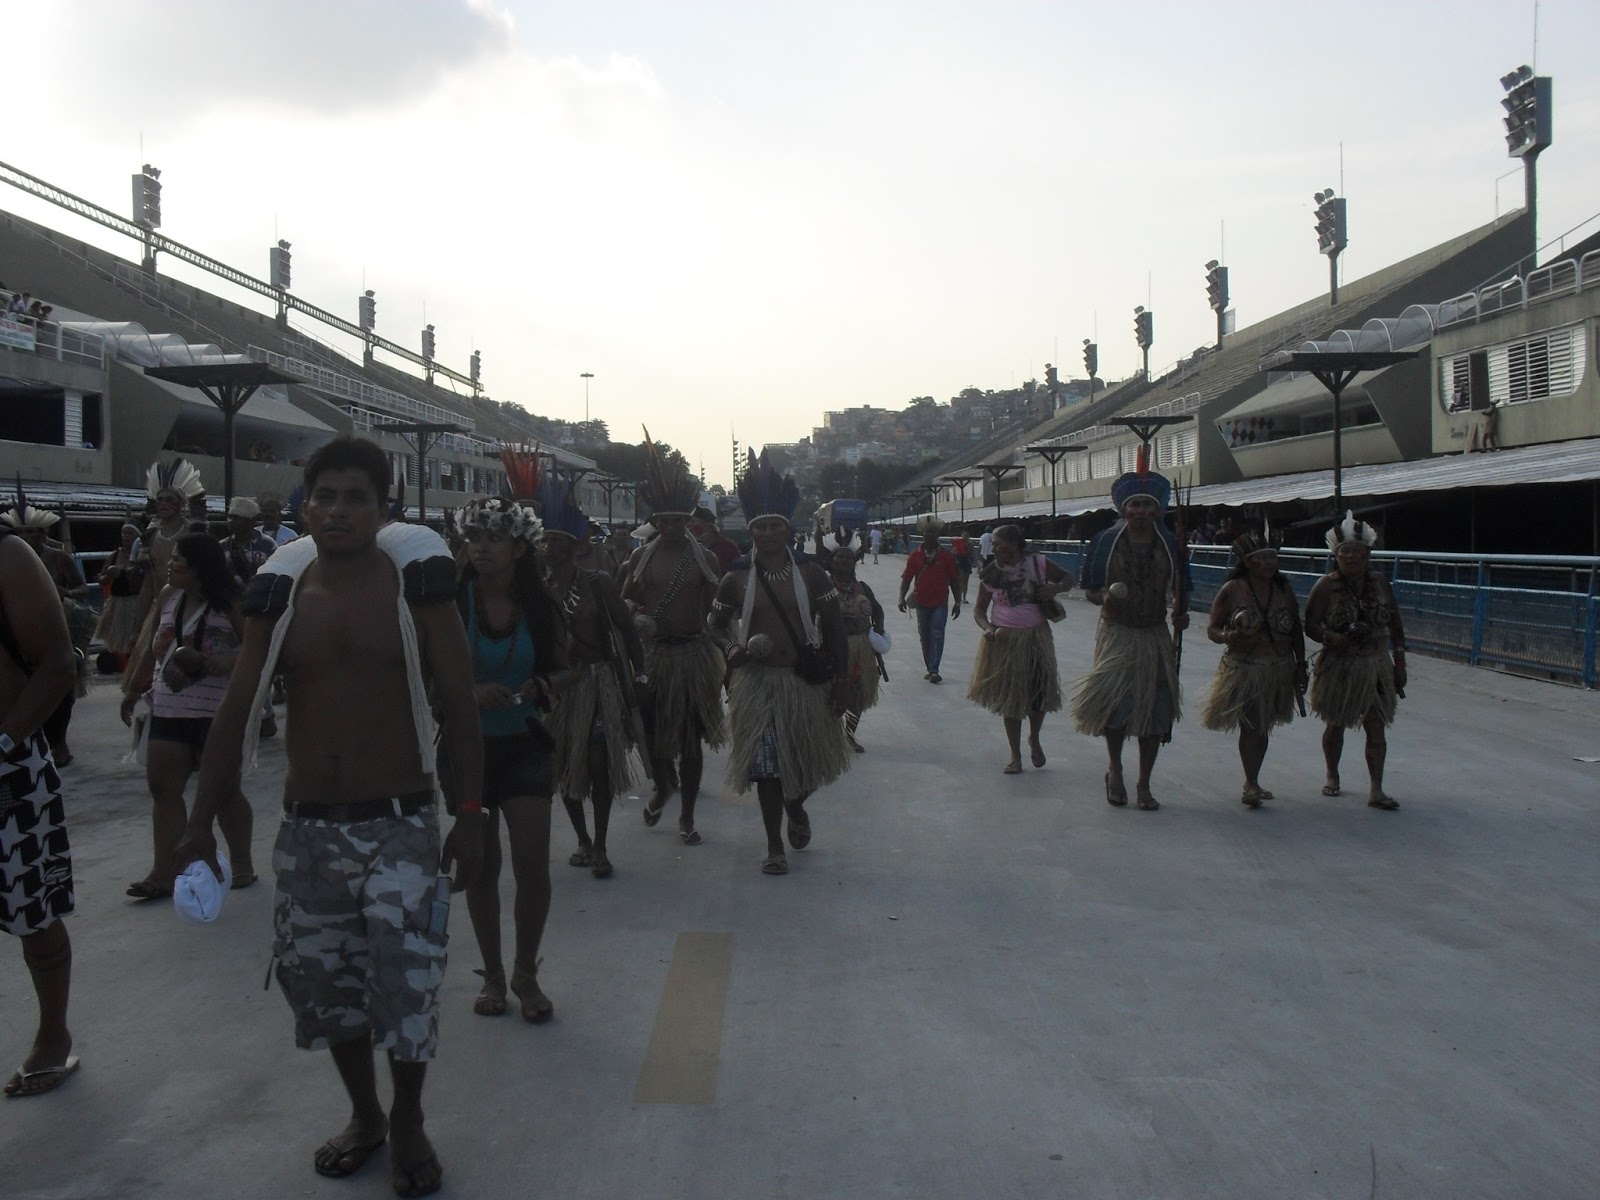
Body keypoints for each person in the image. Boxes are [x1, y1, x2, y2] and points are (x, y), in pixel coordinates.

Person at [176, 436, 484, 1196]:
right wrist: (195, 829)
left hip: (402, 818)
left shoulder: (417, 592)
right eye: (327, 497)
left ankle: (408, 1119)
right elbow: (237, 710)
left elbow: (462, 705)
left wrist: (471, 812)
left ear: (385, 510)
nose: (340, 511)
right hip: (310, 826)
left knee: (406, 988)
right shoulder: (282, 601)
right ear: (305, 506)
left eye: (357, 497)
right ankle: (366, 1114)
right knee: (326, 988)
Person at [449, 492, 567, 1022]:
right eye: (473, 537)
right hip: (466, 750)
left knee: (532, 867)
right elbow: (426, 677)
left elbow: (569, 670)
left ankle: (526, 971)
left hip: (523, 743)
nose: (481, 548)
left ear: (519, 547)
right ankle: (493, 975)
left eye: (493, 537)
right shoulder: (450, 603)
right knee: (480, 867)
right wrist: (467, 692)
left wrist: (540, 683)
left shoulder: (539, 605)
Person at [708, 451, 851, 875]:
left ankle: (797, 806)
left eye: (775, 526)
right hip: (757, 684)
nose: (767, 533)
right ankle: (774, 846)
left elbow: (836, 631)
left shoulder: (812, 575)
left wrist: (842, 680)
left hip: (804, 682)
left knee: (805, 768)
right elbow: (714, 625)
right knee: (766, 769)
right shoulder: (734, 578)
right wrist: (730, 648)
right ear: (750, 531)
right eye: (760, 527)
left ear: (787, 530)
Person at [118, 533, 257, 899]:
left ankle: (242, 863)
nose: (169, 564)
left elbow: (256, 651)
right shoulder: (167, 597)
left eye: (177, 559)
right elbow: (151, 648)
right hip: (169, 708)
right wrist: (133, 689)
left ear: (198, 567)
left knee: (225, 793)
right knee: (164, 790)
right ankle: (164, 872)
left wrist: (216, 663)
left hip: (218, 712)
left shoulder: (233, 602)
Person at [0, 522, 79, 1097]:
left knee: (34, 910)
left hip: (8, 768)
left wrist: (4, 744)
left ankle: (53, 1034)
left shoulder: (8, 555)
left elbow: (56, 665)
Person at [541, 480, 646, 880]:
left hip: (599, 682)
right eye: (544, 540)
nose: (550, 547)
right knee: (566, 765)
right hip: (558, 689)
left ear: (575, 545)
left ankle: (601, 845)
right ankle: (583, 840)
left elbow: (628, 630)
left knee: (600, 763)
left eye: (558, 540)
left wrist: (640, 673)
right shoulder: (536, 589)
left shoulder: (597, 584)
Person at [623, 436, 726, 844]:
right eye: (664, 521)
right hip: (652, 657)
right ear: (656, 521)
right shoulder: (639, 557)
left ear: (689, 521)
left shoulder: (706, 558)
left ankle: (686, 816)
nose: (671, 527)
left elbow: (715, 609)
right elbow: (625, 600)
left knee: (690, 741)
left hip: (692, 655)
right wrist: (636, 617)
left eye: (679, 521)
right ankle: (663, 785)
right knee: (652, 735)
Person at [1071, 465, 1191, 811]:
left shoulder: (1171, 543)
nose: (1141, 511)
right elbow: (1090, 588)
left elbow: (1184, 589)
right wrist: (1103, 598)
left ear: (1158, 509)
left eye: (1147, 505)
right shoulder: (1105, 542)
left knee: (1156, 712)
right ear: (1123, 509)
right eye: (1134, 505)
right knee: (1117, 707)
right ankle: (1116, 769)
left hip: (1155, 634)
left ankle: (1144, 783)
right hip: (1117, 633)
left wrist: (1180, 614)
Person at [1303, 513, 1407, 811]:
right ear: (1335, 555)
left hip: (1375, 664)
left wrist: (1399, 664)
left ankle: (1377, 788)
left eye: (1358, 552)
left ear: (1368, 555)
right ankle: (1333, 775)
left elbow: (1397, 625)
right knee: (1335, 724)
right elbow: (1309, 624)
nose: (1351, 557)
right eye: (1345, 552)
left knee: (1376, 726)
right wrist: (1330, 637)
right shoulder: (1325, 586)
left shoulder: (1380, 583)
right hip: (1341, 665)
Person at [1200, 530, 1307, 807]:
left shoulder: (1284, 590)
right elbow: (1212, 629)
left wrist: (1300, 666)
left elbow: (1296, 629)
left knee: (1262, 726)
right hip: (1245, 668)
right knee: (1251, 724)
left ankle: (1254, 779)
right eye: (1263, 558)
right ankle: (1251, 783)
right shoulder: (1232, 590)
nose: (1270, 563)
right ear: (1248, 562)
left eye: (1273, 557)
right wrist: (1227, 637)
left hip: (1278, 667)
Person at [969, 525, 1076, 774]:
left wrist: (1054, 588)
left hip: (1036, 637)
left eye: (998, 543)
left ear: (1015, 545)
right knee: (1011, 700)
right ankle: (1015, 756)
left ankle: (1034, 738)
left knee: (1038, 696)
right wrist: (987, 628)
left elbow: (1069, 578)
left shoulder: (1038, 563)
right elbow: (978, 610)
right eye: (993, 544)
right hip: (1004, 641)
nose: (993, 548)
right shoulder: (989, 573)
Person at [1, 495, 87, 766]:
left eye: (31, 531)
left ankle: (58, 744)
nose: (26, 535)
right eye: (23, 530)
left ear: (43, 533)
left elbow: (57, 667)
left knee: (57, 696)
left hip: (53, 628)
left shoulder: (19, 555)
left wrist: (66, 593)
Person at [827, 541, 885, 752]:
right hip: (830, 647)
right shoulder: (822, 585)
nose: (844, 561)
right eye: (839, 557)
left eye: (848, 558)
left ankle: (849, 736)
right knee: (830, 691)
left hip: (860, 648)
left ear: (854, 562)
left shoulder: (863, 588)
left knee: (858, 692)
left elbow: (878, 611)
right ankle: (830, 736)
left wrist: (878, 630)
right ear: (831, 561)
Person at [897, 517, 962, 683]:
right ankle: (929, 666)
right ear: (922, 535)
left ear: (938, 536)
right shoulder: (915, 556)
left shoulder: (946, 556)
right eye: (927, 533)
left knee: (937, 633)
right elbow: (906, 579)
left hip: (940, 602)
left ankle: (934, 669)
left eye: (933, 533)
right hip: (921, 602)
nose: (930, 536)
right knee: (924, 635)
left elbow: (954, 580)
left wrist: (957, 601)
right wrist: (901, 597)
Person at [93, 523, 147, 665]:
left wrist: (123, 573)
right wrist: (107, 577)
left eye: (130, 533)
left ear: (137, 537)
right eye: (123, 533)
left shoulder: (142, 555)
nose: (125, 536)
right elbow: (100, 578)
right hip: (118, 603)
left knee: (136, 638)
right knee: (119, 640)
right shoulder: (115, 555)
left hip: (136, 601)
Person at [219, 496, 277, 585]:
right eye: (229, 517)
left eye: (236, 518)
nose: (230, 521)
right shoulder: (223, 546)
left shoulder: (267, 544)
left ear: (251, 521)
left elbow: (275, 574)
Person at [691, 504, 741, 575]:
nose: (692, 528)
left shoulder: (727, 546)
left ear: (711, 526)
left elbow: (737, 573)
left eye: (696, 525)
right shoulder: (689, 547)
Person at [951, 530, 973, 604]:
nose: (965, 537)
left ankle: (963, 598)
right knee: (962, 581)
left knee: (964, 582)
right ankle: (962, 598)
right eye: (964, 535)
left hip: (964, 563)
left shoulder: (967, 544)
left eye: (966, 536)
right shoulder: (959, 544)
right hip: (962, 563)